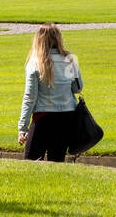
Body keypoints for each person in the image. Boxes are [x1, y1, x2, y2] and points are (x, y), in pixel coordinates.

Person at [18, 24, 82, 161]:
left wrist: (22, 127)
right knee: (57, 161)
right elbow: (77, 89)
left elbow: (30, 98)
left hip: (44, 117)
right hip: (67, 116)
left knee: (31, 161)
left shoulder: (35, 63)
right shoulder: (69, 60)